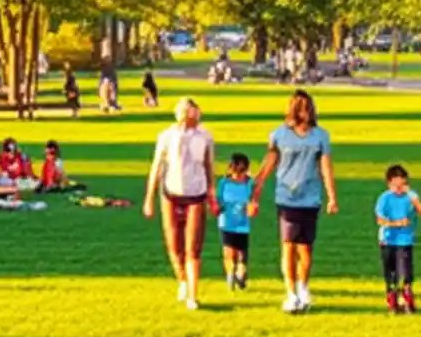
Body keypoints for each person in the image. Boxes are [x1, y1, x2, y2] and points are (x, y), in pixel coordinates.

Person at [251, 89, 339, 314]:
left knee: (306, 249)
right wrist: (257, 188)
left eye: (308, 107)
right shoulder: (279, 135)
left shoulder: (321, 136)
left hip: (310, 198)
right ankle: (290, 293)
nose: (305, 112)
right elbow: (270, 161)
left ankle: (303, 286)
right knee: (288, 247)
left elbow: (326, 166)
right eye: (301, 108)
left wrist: (331, 196)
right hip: (286, 197)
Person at [143, 97, 215, 311]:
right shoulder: (166, 136)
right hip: (171, 193)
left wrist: (212, 196)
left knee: (193, 248)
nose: (191, 116)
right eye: (187, 112)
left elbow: (209, 166)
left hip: (196, 193)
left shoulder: (205, 137)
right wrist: (149, 198)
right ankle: (182, 280)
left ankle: (193, 296)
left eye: (193, 111)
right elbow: (156, 167)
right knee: (174, 246)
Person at [376, 164, 421, 314]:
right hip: (388, 240)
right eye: (396, 185)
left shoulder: (410, 196)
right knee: (391, 272)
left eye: (403, 184)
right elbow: (380, 220)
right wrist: (395, 223)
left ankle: (408, 298)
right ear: (389, 183)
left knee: (406, 271)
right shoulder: (385, 198)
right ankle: (392, 300)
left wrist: (411, 194)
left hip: (405, 240)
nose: (399, 188)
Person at [217, 153, 256, 292]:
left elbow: (253, 200)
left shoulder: (250, 183)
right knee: (229, 251)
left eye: (241, 171)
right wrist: (218, 207)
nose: (238, 175)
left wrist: (252, 207)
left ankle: (241, 274)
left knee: (242, 254)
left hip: (243, 224)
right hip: (226, 222)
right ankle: (230, 274)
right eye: (235, 171)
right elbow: (218, 200)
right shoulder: (224, 183)